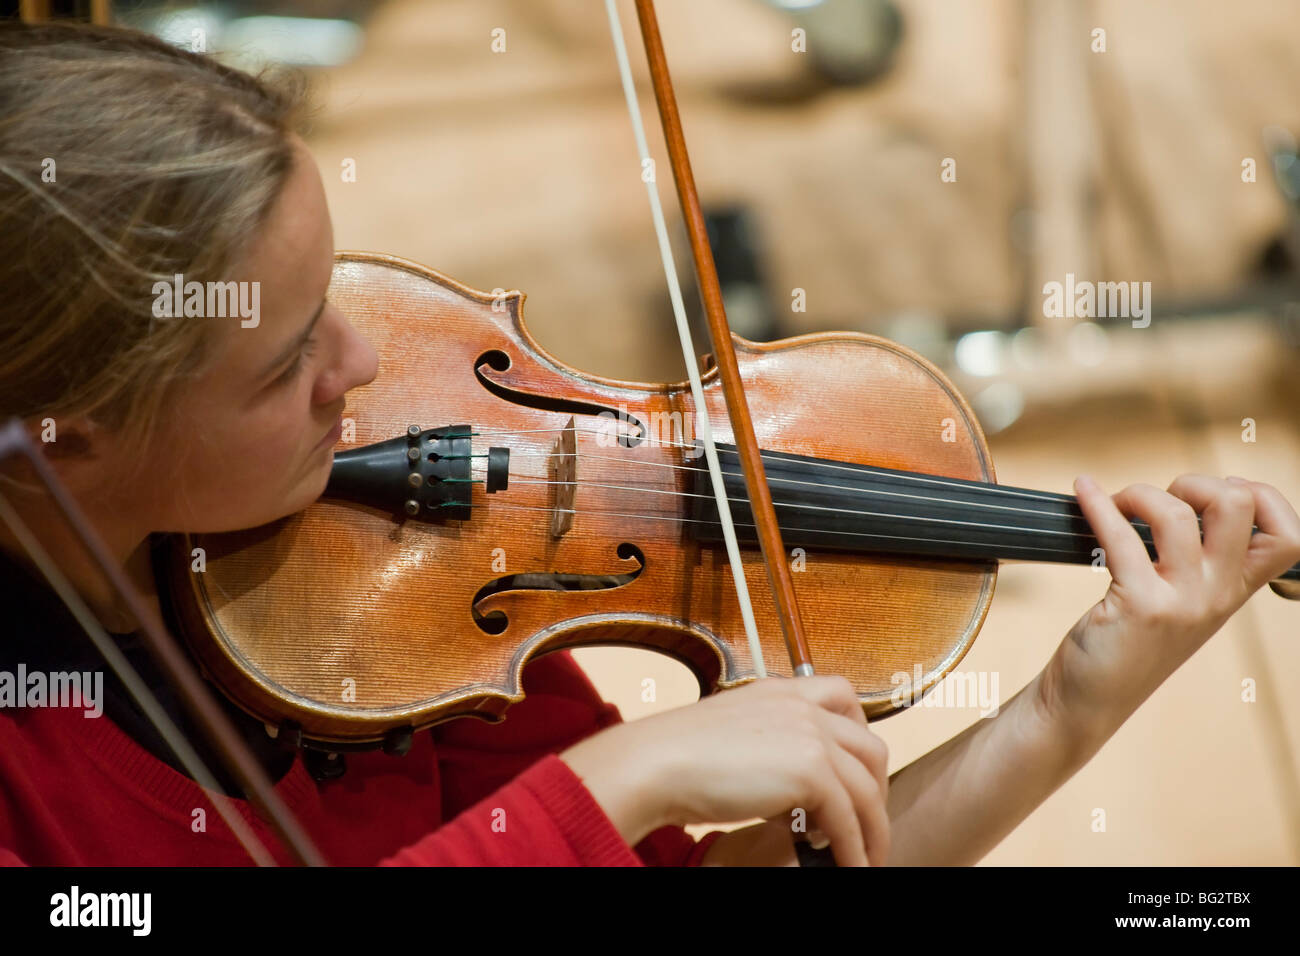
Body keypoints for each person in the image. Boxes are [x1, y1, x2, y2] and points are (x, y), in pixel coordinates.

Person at [1, 21, 1297, 868]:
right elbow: (578, 827)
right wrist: (623, 778)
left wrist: (1071, 707)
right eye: (288, 362)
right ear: (61, 439)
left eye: (330, 296)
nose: (364, 366)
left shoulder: (394, 565)